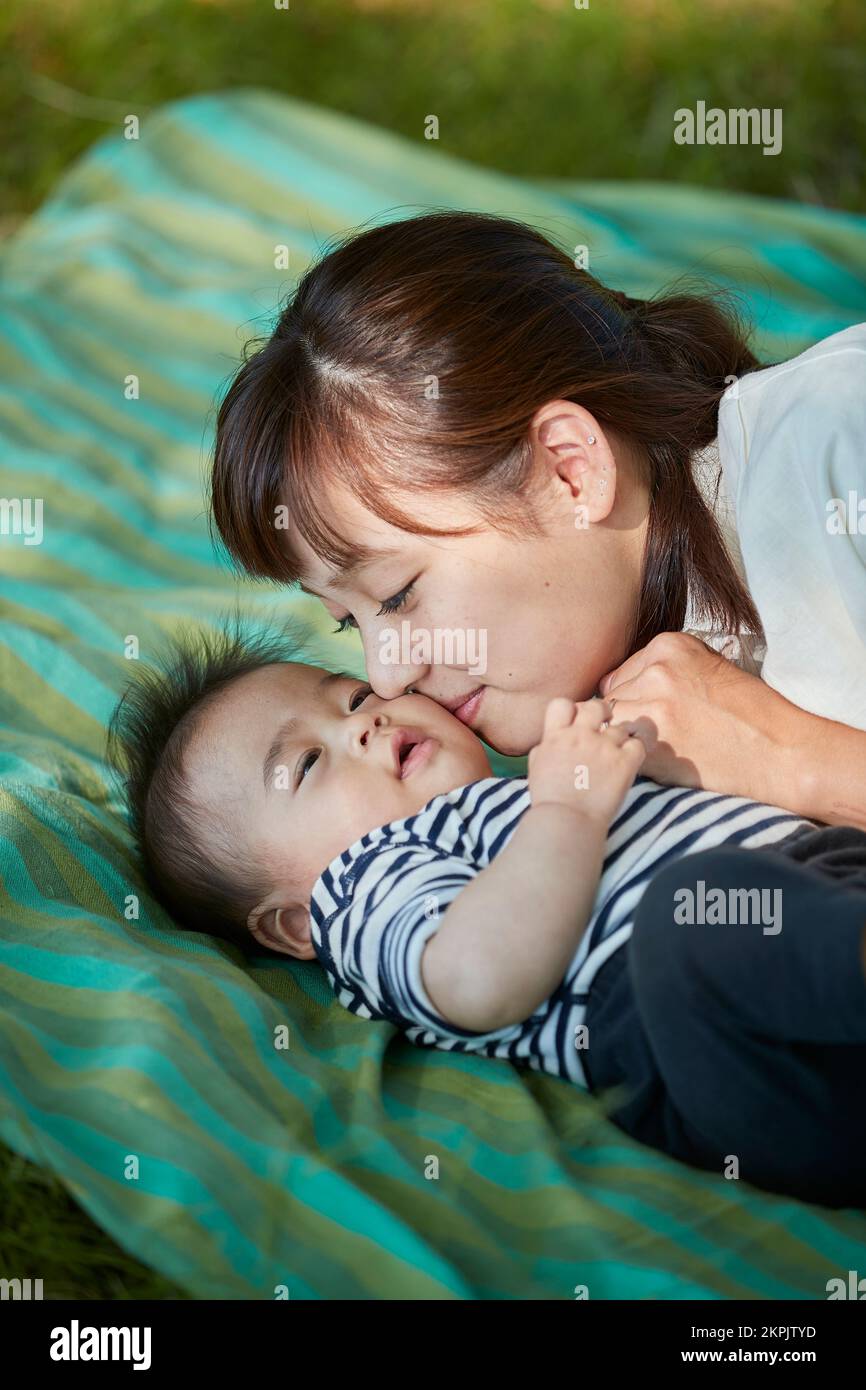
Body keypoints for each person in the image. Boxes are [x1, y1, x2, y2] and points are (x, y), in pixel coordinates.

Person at [108, 623, 866, 1208]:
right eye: (307, 764)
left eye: (354, 698)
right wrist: (569, 808)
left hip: (817, 879)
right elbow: (476, 980)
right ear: (294, 926)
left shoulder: (506, 782)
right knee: (690, 922)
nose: (361, 725)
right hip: (712, 1034)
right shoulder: (361, 890)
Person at [209, 209, 866, 830]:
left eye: (398, 594)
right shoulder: (594, 761)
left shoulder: (832, 442)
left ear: (569, 469)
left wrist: (791, 761)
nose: (387, 677)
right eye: (352, 623)